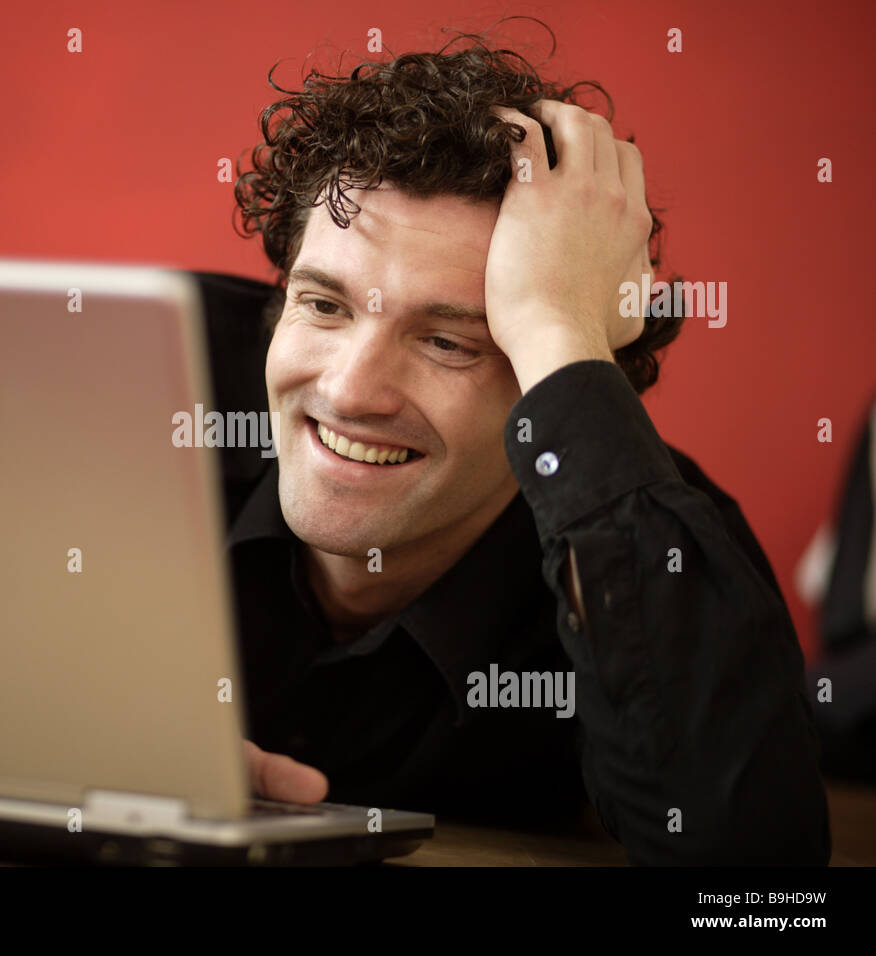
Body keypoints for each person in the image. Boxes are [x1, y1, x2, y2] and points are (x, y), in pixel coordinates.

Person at [196, 25, 831, 865]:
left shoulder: (649, 544)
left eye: (450, 343)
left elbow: (756, 885)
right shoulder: (141, 381)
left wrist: (557, 326)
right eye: (323, 305)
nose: (349, 391)